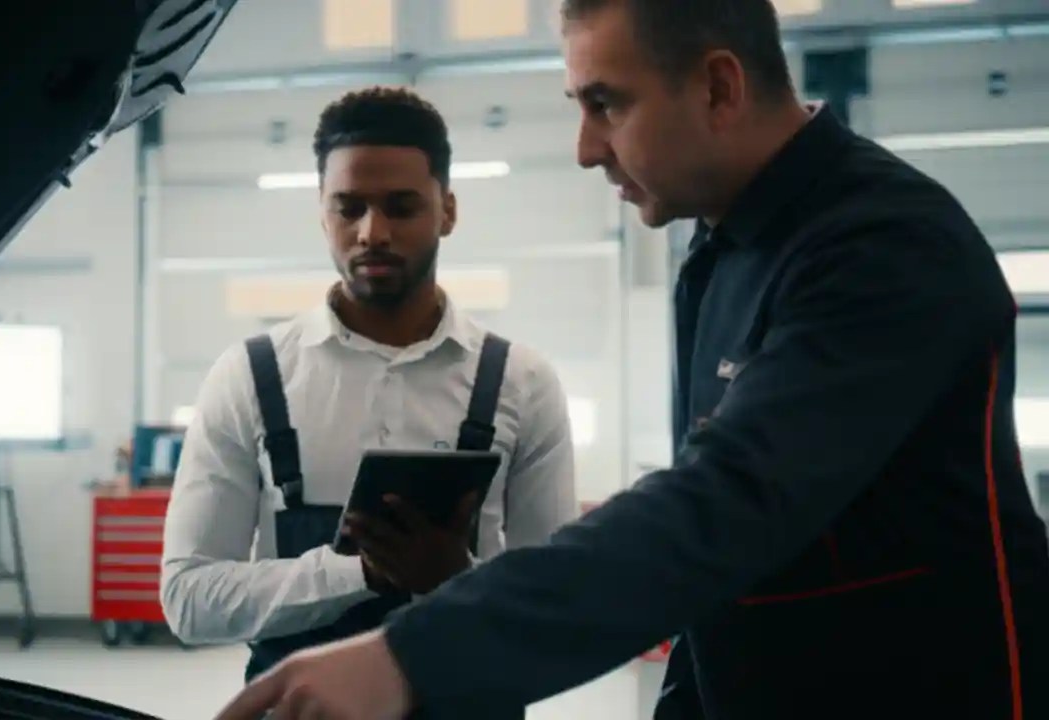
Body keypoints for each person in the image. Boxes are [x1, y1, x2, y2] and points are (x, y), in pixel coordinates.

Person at [214, 1, 1049, 719]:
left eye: (606, 105)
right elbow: (719, 578)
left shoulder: (885, 246)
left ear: (719, 86)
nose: (585, 148)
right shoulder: (720, 255)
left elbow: (721, 508)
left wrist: (405, 656)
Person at [159, 86, 579, 696]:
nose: (371, 232)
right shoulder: (250, 376)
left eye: (401, 207)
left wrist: (457, 577)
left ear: (448, 211)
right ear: (322, 213)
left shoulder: (523, 382)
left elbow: (555, 607)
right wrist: (357, 573)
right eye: (348, 207)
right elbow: (188, 599)